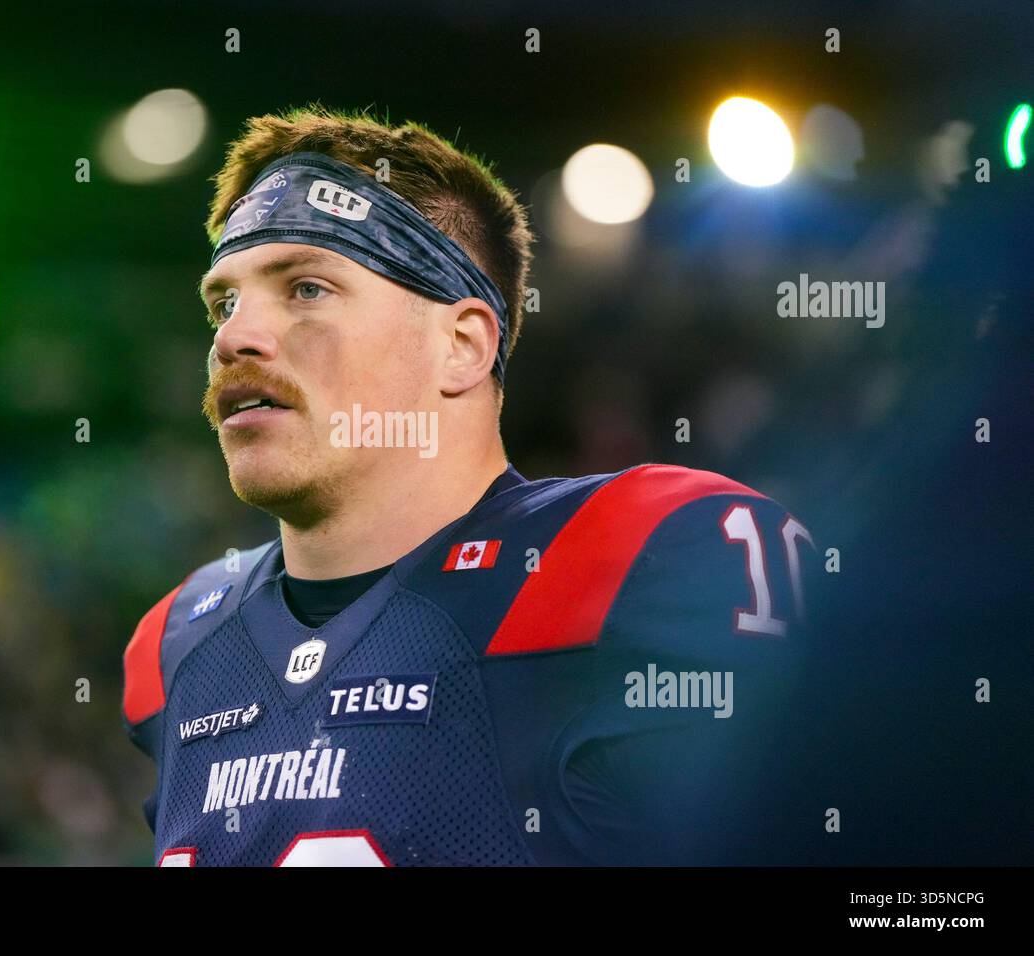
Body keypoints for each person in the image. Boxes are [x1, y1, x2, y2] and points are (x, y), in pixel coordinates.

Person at [122, 105, 816, 866]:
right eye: (224, 302)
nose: (233, 338)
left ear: (461, 347)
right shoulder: (180, 642)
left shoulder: (650, 557)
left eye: (307, 289)